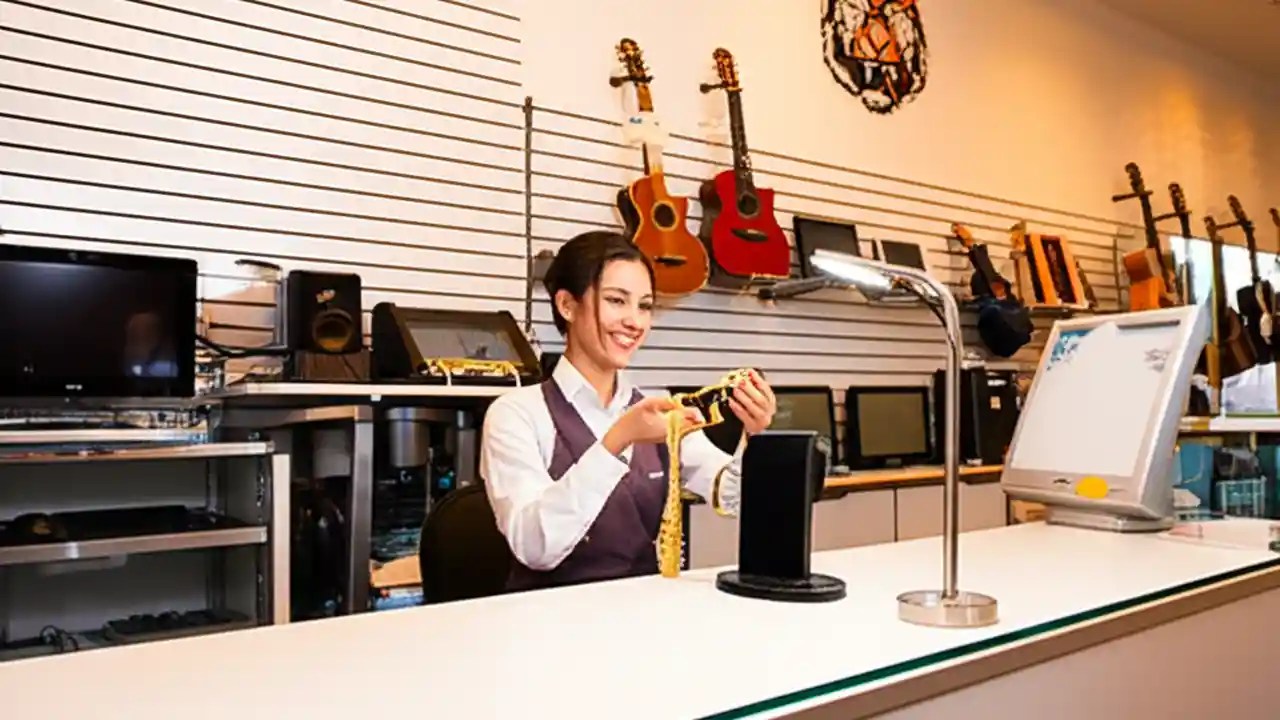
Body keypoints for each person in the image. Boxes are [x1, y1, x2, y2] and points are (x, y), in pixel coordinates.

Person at [480, 230, 777, 591]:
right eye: (617, 301)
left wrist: (755, 437)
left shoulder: (657, 412)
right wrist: (618, 440)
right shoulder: (515, 414)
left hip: (644, 614)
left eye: (645, 305)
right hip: (549, 624)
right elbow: (535, 546)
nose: (635, 321)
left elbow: (728, 496)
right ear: (567, 305)